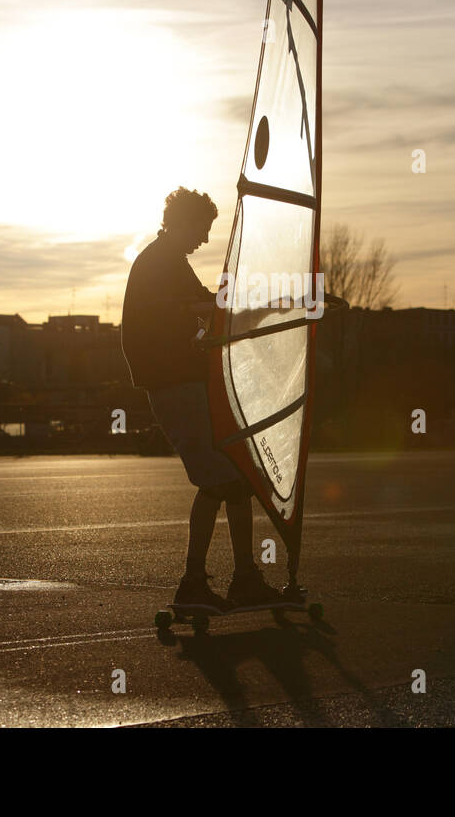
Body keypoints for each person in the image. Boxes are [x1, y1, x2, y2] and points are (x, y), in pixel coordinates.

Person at [120, 187, 282, 612]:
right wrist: (253, 305)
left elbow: (208, 309)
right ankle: (193, 584)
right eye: (203, 229)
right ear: (181, 222)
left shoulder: (170, 262)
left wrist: (262, 310)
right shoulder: (158, 263)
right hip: (174, 388)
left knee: (238, 480)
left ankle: (245, 578)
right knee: (218, 481)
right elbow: (203, 306)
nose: (206, 239)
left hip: (187, 385)